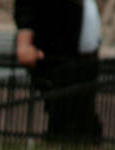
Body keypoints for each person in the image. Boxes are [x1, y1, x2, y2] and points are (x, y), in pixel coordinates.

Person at [14, 0, 103, 141]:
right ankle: (62, 141)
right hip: (59, 54)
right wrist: (24, 42)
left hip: (84, 57)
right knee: (64, 110)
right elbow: (26, 8)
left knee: (82, 112)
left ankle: (80, 139)